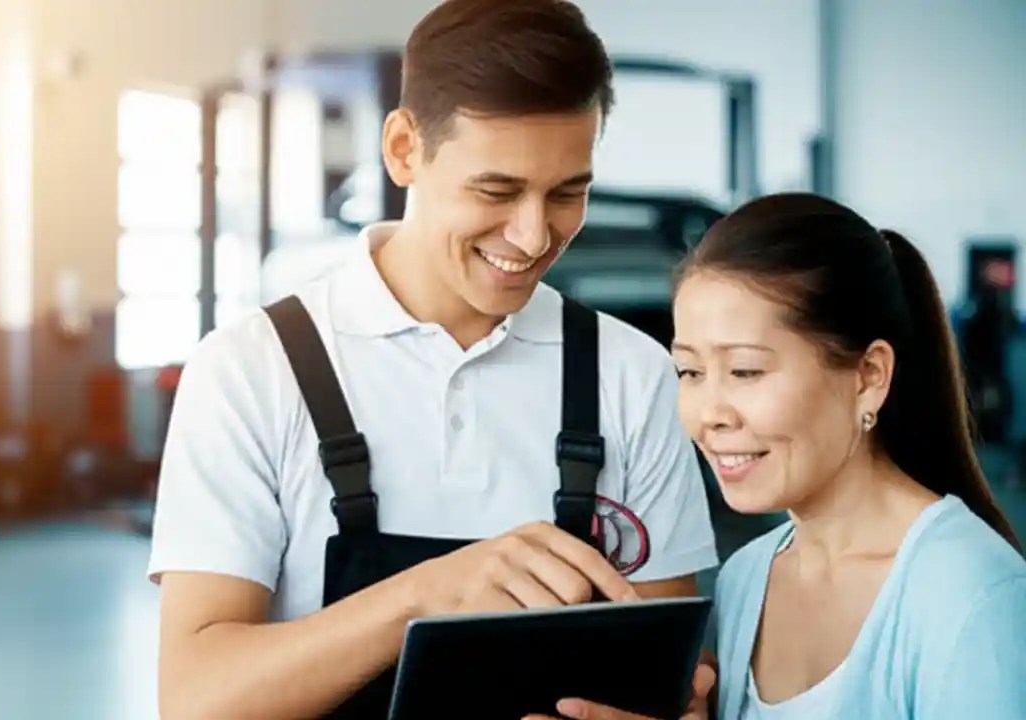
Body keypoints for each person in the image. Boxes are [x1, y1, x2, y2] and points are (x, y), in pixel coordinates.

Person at [147, 1, 721, 718]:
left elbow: (668, 668)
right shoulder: (249, 371)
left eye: (567, 193)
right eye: (497, 190)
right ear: (403, 149)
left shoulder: (631, 376)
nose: (533, 233)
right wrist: (427, 595)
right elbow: (197, 702)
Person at [670, 192, 1026, 718]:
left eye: (745, 370)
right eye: (690, 372)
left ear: (869, 377)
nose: (711, 413)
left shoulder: (971, 595)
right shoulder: (744, 580)